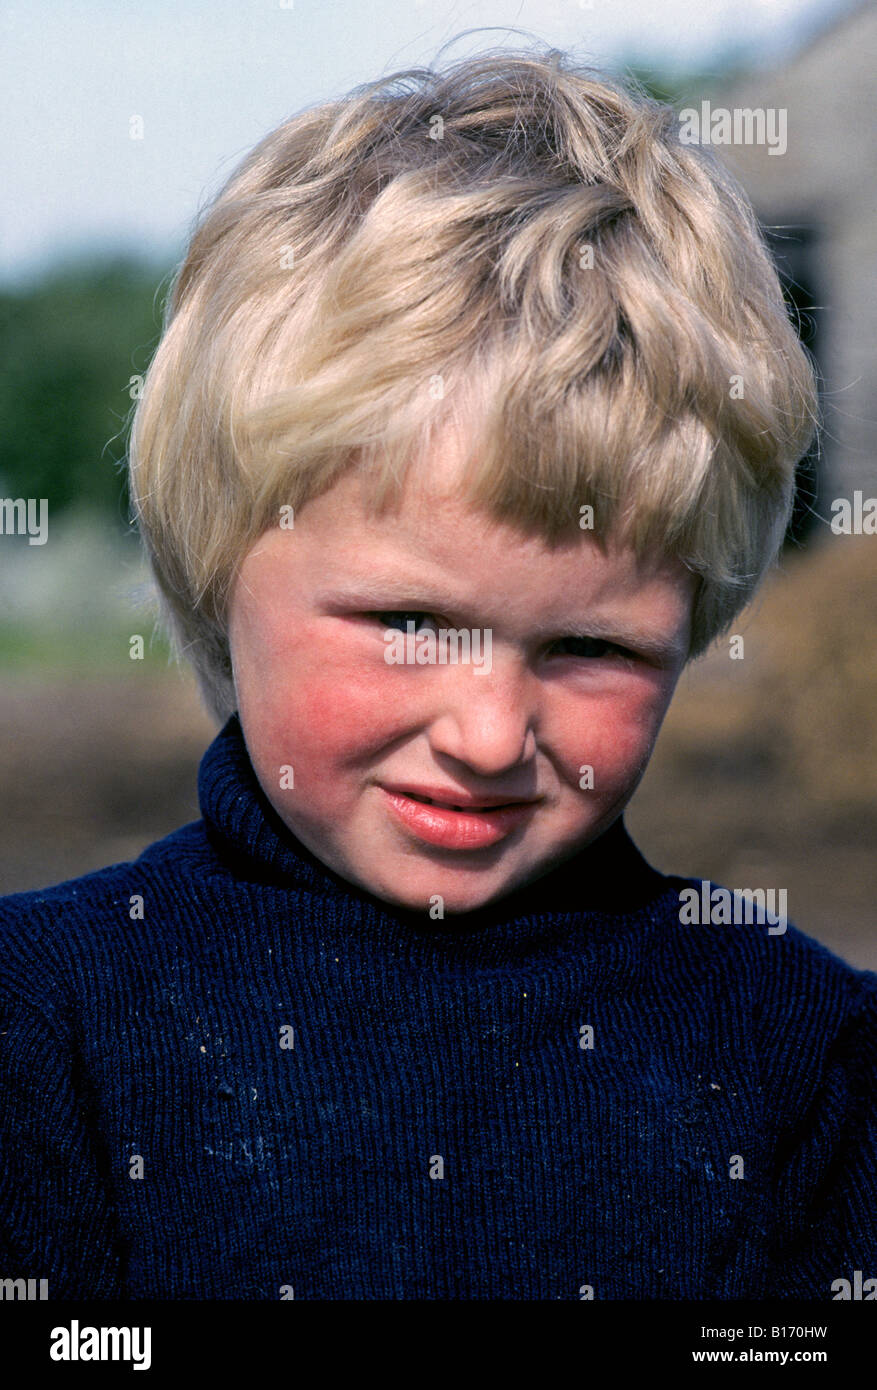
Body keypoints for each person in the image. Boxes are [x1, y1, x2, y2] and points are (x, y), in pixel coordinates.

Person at [1, 46, 874, 1301]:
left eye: (591, 647)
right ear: (218, 560)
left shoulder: (811, 1066)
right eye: (410, 621)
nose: (486, 731)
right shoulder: (46, 1030)